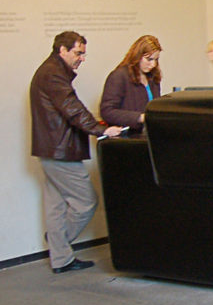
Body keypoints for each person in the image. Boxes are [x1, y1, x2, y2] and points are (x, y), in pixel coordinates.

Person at [30, 31, 124, 273]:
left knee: (56, 206)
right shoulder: (53, 74)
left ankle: (61, 260)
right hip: (60, 151)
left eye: (83, 53)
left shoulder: (50, 71)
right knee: (86, 202)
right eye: (78, 53)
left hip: (51, 150)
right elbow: (72, 109)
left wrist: (97, 125)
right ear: (62, 50)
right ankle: (57, 243)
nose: (82, 58)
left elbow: (70, 108)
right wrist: (101, 130)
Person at [100, 34, 162, 131]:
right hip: (128, 137)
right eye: (149, 59)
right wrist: (140, 117)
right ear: (137, 56)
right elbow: (107, 112)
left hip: (149, 135)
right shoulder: (119, 76)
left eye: (156, 60)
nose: (153, 64)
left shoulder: (153, 77)